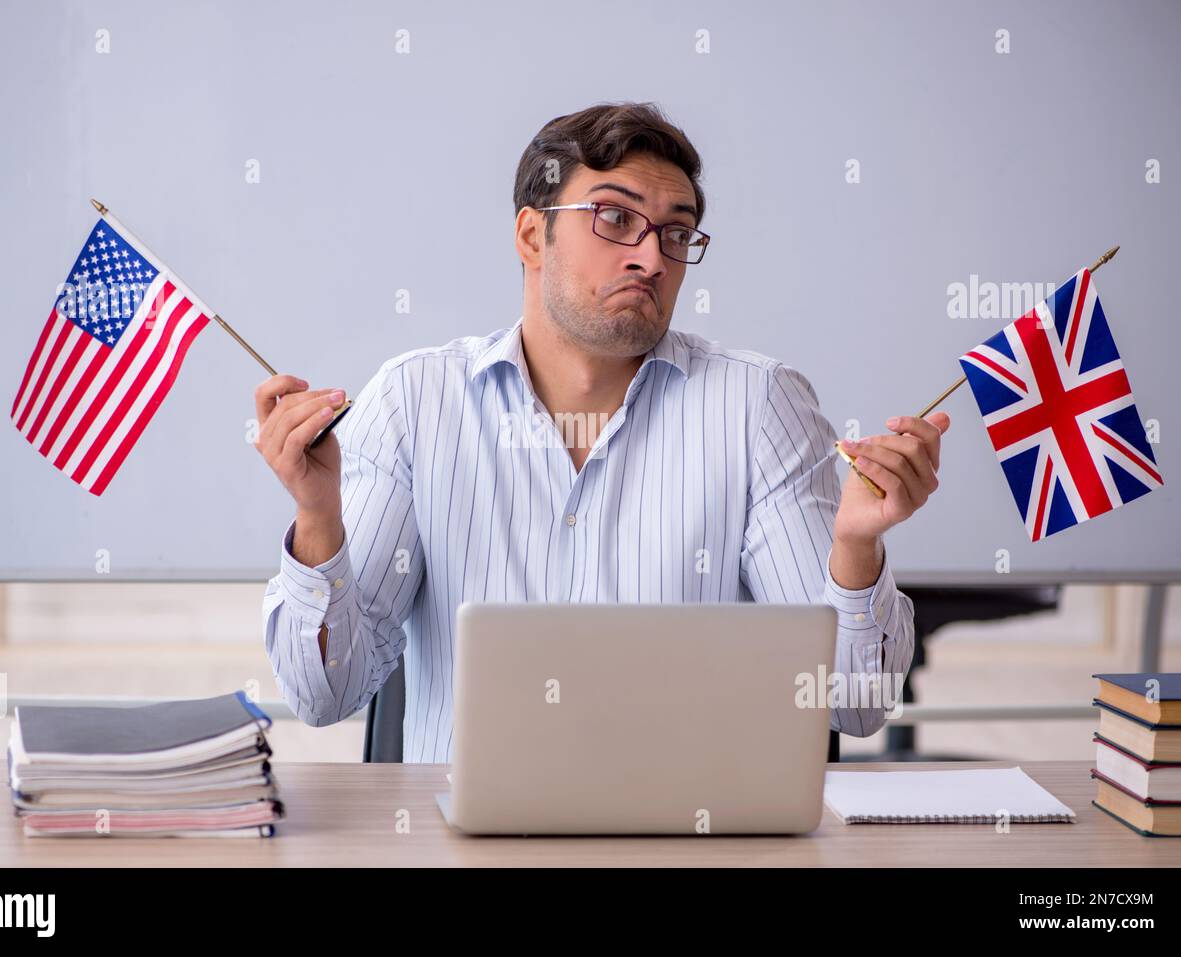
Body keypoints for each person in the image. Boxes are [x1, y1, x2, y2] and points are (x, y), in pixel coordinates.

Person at [254, 102, 950, 763]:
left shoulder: (759, 406)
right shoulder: (414, 402)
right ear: (533, 235)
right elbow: (324, 693)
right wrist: (318, 515)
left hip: (694, 846)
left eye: (675, 232)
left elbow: (855, 704)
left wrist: (857, 545)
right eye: (615, 218)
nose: (652, 257)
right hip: (467, 848)